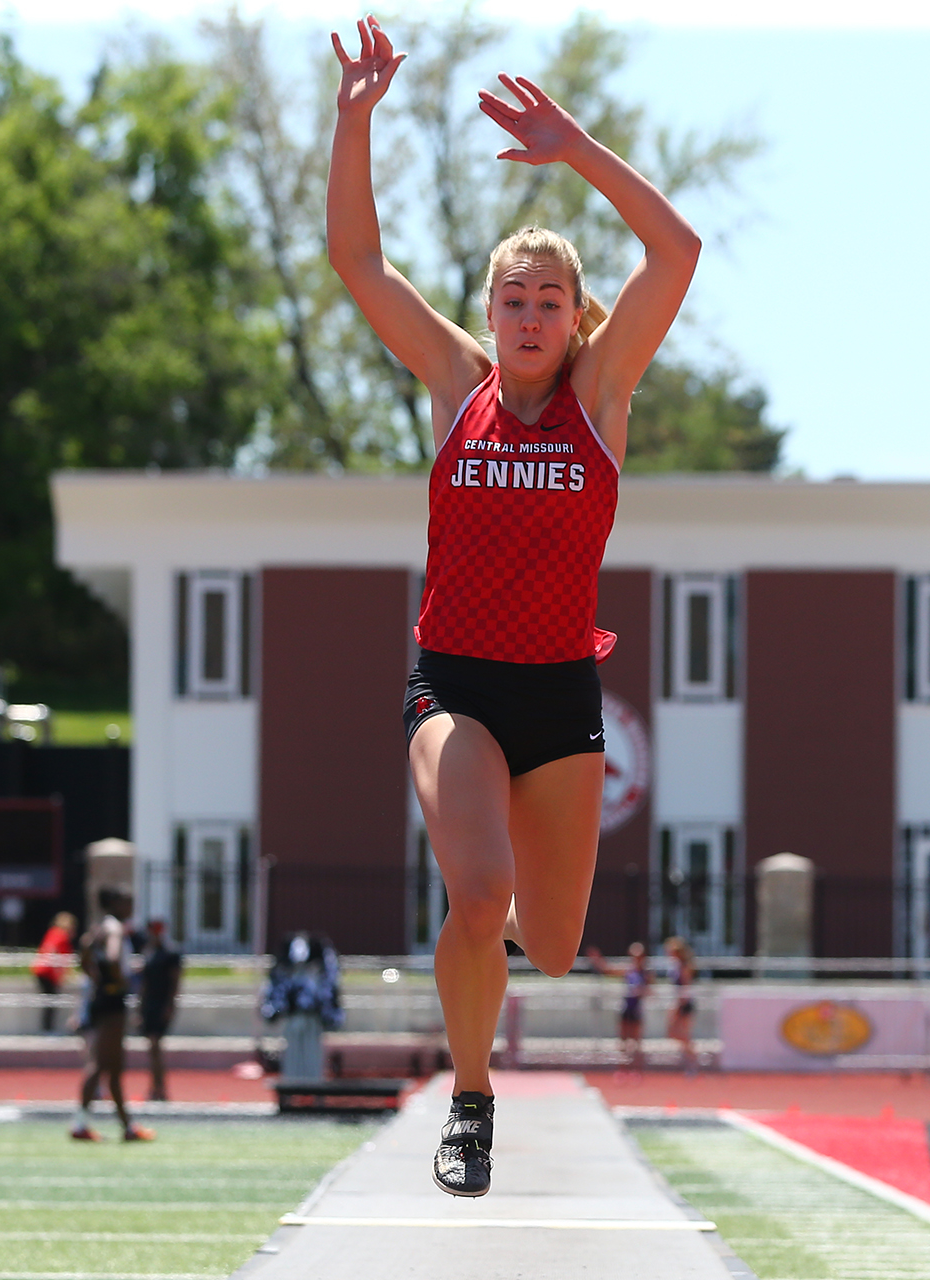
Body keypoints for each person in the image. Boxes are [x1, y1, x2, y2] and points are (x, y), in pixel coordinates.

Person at [328, 13, 700, 1197]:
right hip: (455, 684)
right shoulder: (455, 383)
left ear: (575, 316)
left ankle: (490, 1000)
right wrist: (354, 121)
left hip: (559, 691)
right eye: (513, 300)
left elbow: (678, 250)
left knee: (553, 941)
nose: (530, 317)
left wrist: (575, 147)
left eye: (549, 300)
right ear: (488, 314)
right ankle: (471, 1099)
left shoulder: (604, 391)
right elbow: (358, 261)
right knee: (479, 892)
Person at [72, 888, 149, 1142]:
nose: (131, 907)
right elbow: (114, 957)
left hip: (101, 999)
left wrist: (96, 978)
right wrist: (119, 982)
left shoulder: (99, 927)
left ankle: (128, 1126)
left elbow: (84, 952)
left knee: (114, 1067)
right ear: (114, 903)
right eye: (127, 901)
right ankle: (80, 1125)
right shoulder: (115, 928)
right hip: (112, 1001)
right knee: (100, 1064)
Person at [259, 932, 344, 1081]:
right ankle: (292, 1083)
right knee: (292, 1052)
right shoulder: (284, 972)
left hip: (313, 1019)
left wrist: (329, 1014)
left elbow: (329, 991)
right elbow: (275, 992)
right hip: (293, 1018)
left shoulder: (319, 972)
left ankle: (314, 1083)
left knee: (312, 1052)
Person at [588, 943, 651, 1073]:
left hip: (637, 1009)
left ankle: (637, 1070)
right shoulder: (629, 970)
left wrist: (641, 991)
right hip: (626, 1007)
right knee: (622, 1041)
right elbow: (608, 970)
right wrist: (597, 960)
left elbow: (650, 990)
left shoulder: (646, 973)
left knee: (636, 1042)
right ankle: (622, 1069)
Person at [139, 919, 182, 1103]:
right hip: (149, 1004)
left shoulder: (171, 953)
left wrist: (170, 1006)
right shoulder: (148, 952)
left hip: (161, 1003)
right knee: (152, 1049)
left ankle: (159, 1088)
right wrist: (139, 1008)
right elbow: (144, 983)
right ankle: (155, 1087)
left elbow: (175, 982)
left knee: (155, 1046)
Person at [32, 912, 77, 1035]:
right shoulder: (61, 936)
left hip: (41, 970)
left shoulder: (52, 933)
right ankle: (47, 1030)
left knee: (49, 1002)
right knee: (51, 1002)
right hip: (48, 973)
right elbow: (55, 954)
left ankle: (47, 1028)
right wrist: (60, 975)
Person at [665, 937, 699, 1075]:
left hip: (684, 1003)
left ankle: (691, 1062)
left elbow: (685, 986)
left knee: (682, 1033)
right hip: (678, 1002)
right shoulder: (675, 966)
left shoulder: (684, 967)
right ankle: (690, 1058)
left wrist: (679, 1006)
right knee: (673, 1033)